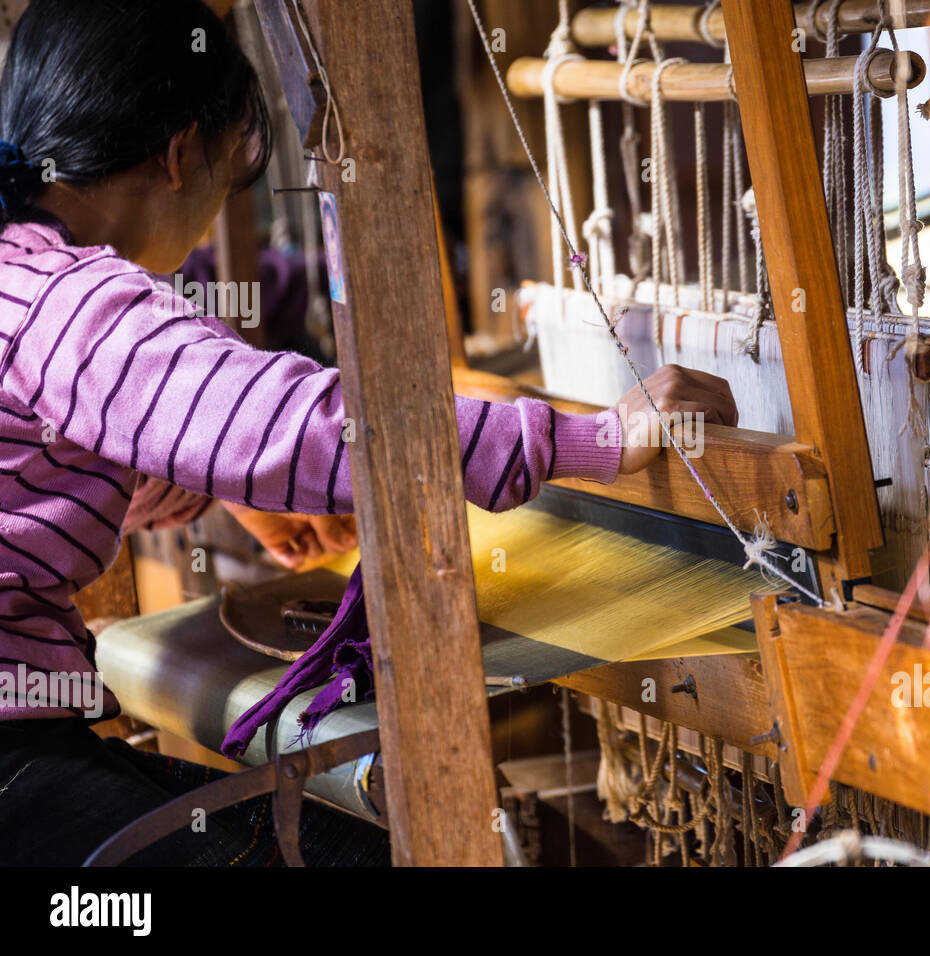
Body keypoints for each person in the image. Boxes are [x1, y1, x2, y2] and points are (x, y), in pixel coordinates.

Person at [0, 0, 736, 865]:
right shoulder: (66, 299)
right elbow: (300, 426)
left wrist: (224, 487)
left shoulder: (22, 270)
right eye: (225, 181)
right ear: (177, 154)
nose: (211, 219)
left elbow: (56, 453)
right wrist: (597, 440)